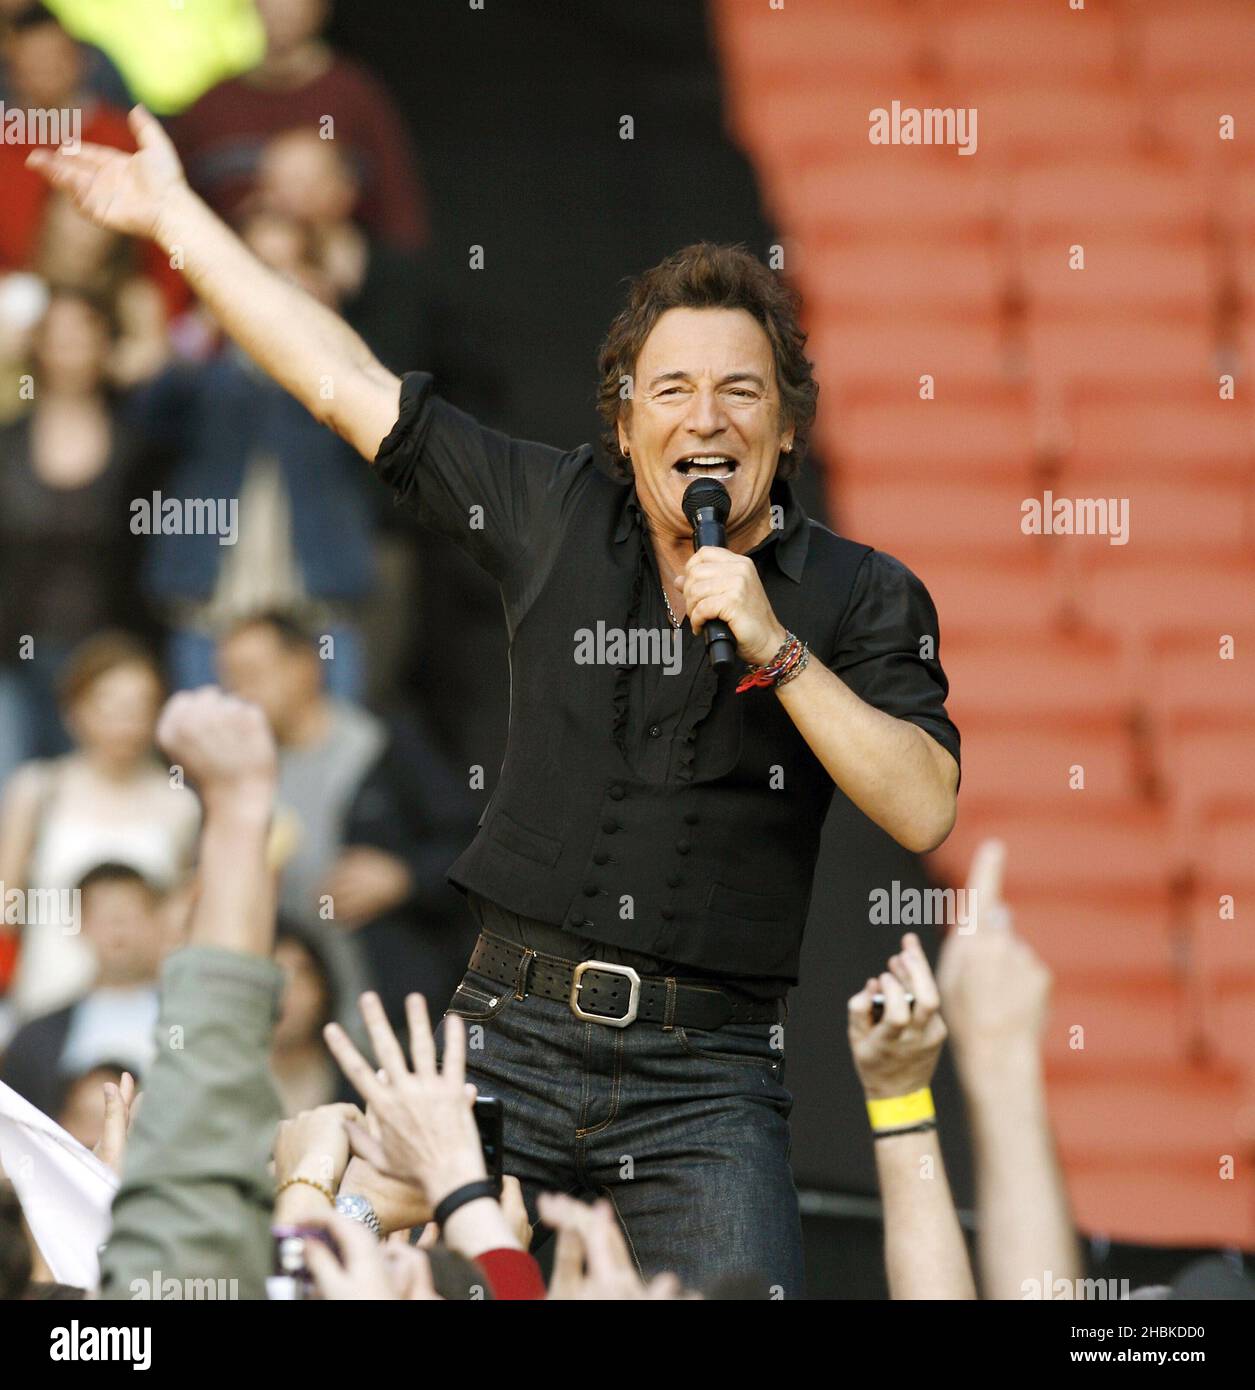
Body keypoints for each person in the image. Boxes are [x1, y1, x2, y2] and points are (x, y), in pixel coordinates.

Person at [30, 110, 961, 1296]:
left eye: (742, 390)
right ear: (625, 427)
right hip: (502, 1036)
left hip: (708, 1078)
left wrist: (777, 649)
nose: (707, 416)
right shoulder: (554, 510)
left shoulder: (861, 594)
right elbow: (338, 376)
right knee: (329, 1283)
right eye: (670, 388)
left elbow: (924, 803)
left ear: (787, 424)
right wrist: (173, 219)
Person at [218, 610, 476, 1029]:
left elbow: (471, 847)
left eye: (251, 672)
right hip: (301, 1025)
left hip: (407, 1009)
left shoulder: (386, 746)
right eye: (229, 678)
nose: (239, 692)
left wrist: (404, 877)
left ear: (306, 665)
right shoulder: (242, 778)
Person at [0, 633, 198, 1022]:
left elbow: (177, 920)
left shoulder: (180, 803)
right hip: (45, 995)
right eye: (110, 706)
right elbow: (6, 904)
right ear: (73, 710)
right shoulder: (38, 789)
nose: (125, 723)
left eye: (140, 707)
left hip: (147, 1006)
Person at [0, 861, 164, 1118]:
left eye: (130, 914)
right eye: (105, 916)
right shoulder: (37, 1037)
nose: (118, 929)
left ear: (156, 920)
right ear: (80, 925)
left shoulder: (187, 1025)